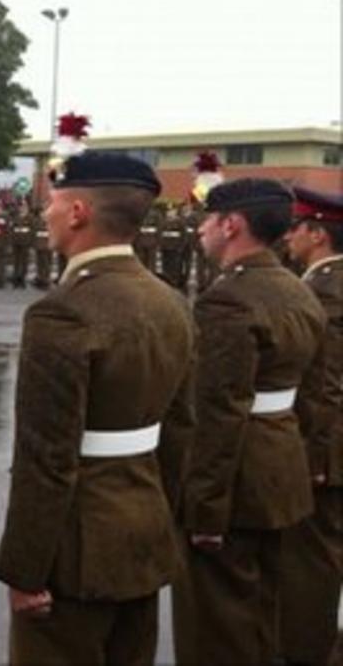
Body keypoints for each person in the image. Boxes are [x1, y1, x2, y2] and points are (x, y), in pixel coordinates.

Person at [0, 149, 195, 665]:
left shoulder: (62, 313)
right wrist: (159, 520)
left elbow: (46, 458)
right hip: (142, 531)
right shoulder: (170, 301)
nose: (45, 214)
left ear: (78, 212)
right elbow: (181, 431)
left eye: (53, 203)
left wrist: (25, 569)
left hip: (74, 553)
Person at [173, 178, 327, 666]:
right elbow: (315, 397)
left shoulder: (228, 300)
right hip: (282, 471)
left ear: (232, 224)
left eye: (209, 219)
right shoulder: (297, 290)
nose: (201, 229)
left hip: (237, 481)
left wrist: (205, 509)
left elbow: (218, 413)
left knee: (216, 627)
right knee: (262, 614)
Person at [278, 186, 343, 666]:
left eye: (296, 228)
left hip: (329, 450)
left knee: (311, 563)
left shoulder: (325, 291)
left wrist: (317, 455)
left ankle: (306, 652)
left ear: (317, 234)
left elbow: (326, 383)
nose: (288, 238)